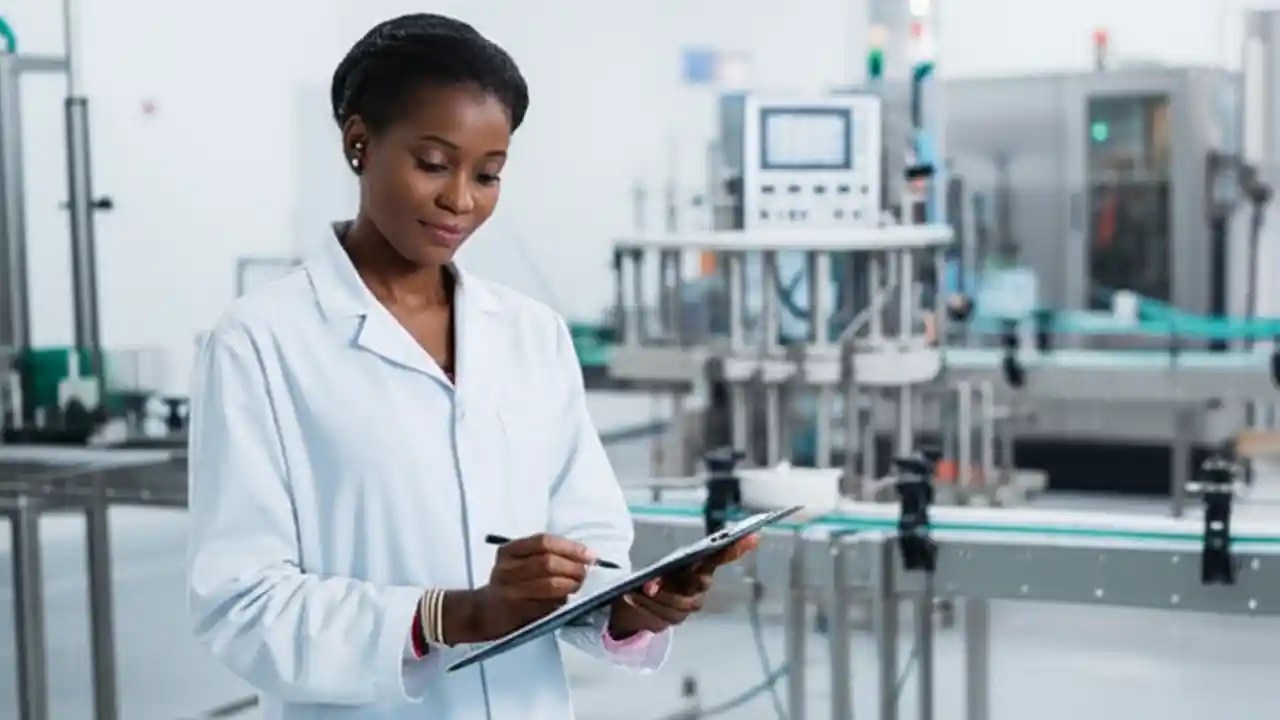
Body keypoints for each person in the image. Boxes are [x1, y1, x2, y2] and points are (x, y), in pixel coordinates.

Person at [185, 13, 757, 720]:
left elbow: (588, 546)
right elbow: (240, 604)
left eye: (488, 174)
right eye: (432, 164)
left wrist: (630, 607)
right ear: (358, 142)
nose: (461, 199)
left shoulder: (529, 335)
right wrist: (449, 616)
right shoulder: (262, 341)